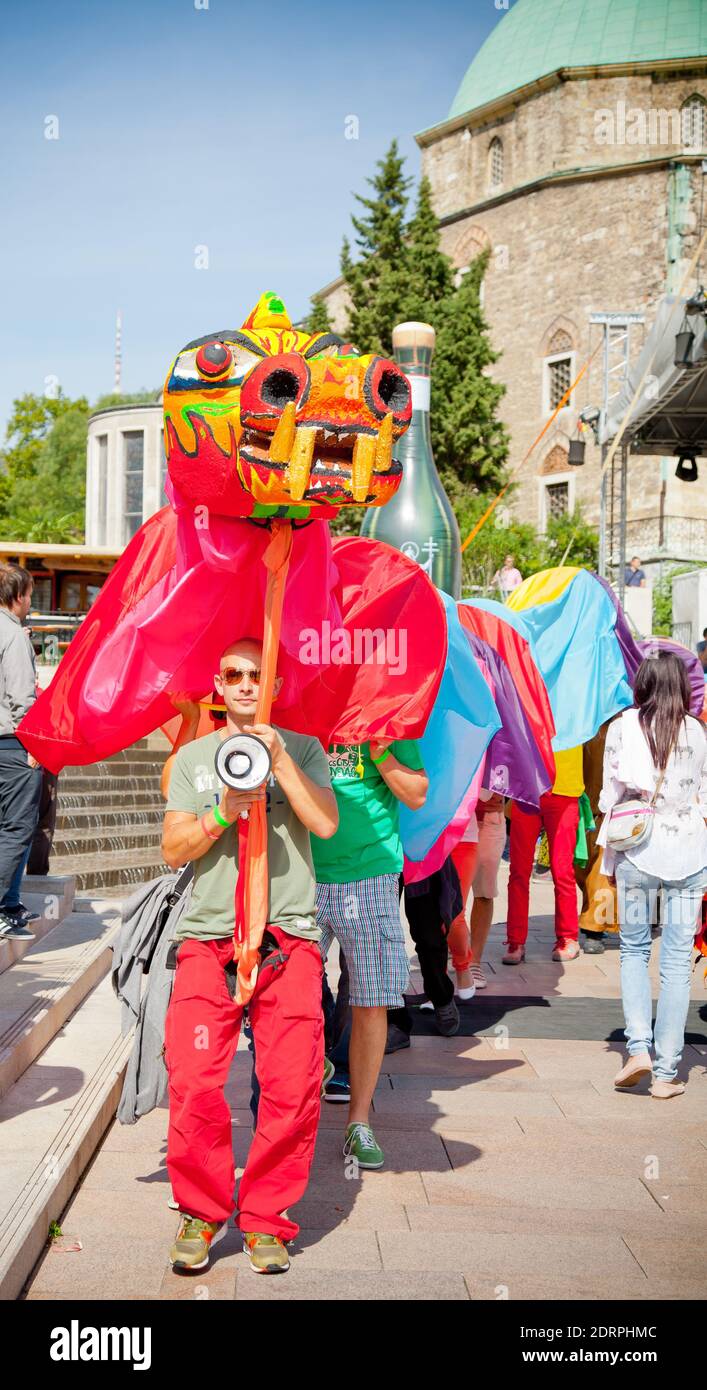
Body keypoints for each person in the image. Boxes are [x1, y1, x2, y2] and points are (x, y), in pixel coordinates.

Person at [162, 638, 338, 1274]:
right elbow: (172, 849)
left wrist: (281, 761)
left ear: (274, 686)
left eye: (255, 676)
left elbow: (324, 823)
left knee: (292, 1085)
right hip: (210, 939)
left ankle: (267, 1218)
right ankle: (201, 1211)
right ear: (218, 682)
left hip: (288, 938)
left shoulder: (306, 749)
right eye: (233, 674)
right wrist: (220, 812)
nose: (242, 684)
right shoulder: (192, 758)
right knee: (192, 1079)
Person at [312, 738, 428, 1171]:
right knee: (284, 990)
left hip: (371, 873)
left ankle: (358, 1122)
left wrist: (378, 749)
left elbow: (416, 793)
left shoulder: (389, 718)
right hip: (301, 870)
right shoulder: (300, 707)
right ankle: (312, 1059)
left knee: (371, 1001)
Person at [597, 651, 707, 1099]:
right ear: (682, 686)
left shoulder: (624, 727)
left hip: (638, 853)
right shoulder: (697, 731)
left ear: (642, 684)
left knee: (635, 951)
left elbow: (608, 796)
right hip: (688, 852)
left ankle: (637, 1047)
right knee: (678, 963)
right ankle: (666, 1072)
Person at [504, 746, 584, 963]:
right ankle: (515, 940)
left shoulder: (576, 710)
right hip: (526, 786)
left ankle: (568, 937)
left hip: (564, 787)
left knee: (562, 870)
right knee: (519, 871)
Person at [0, 564, 42, 940]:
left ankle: (10, 904)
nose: (30, 601)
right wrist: (35, 745)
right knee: (16, 828)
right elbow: (21, 699)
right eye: (29, 594)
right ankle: (1, 907)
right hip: (12, 744)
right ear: (17, 597)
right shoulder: (13, 637)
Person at [449, 788, 507, 994]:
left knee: (484, 892)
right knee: (452, 897)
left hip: (488, 817)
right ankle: (457, 951)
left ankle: (474, 961)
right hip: (455, 816)